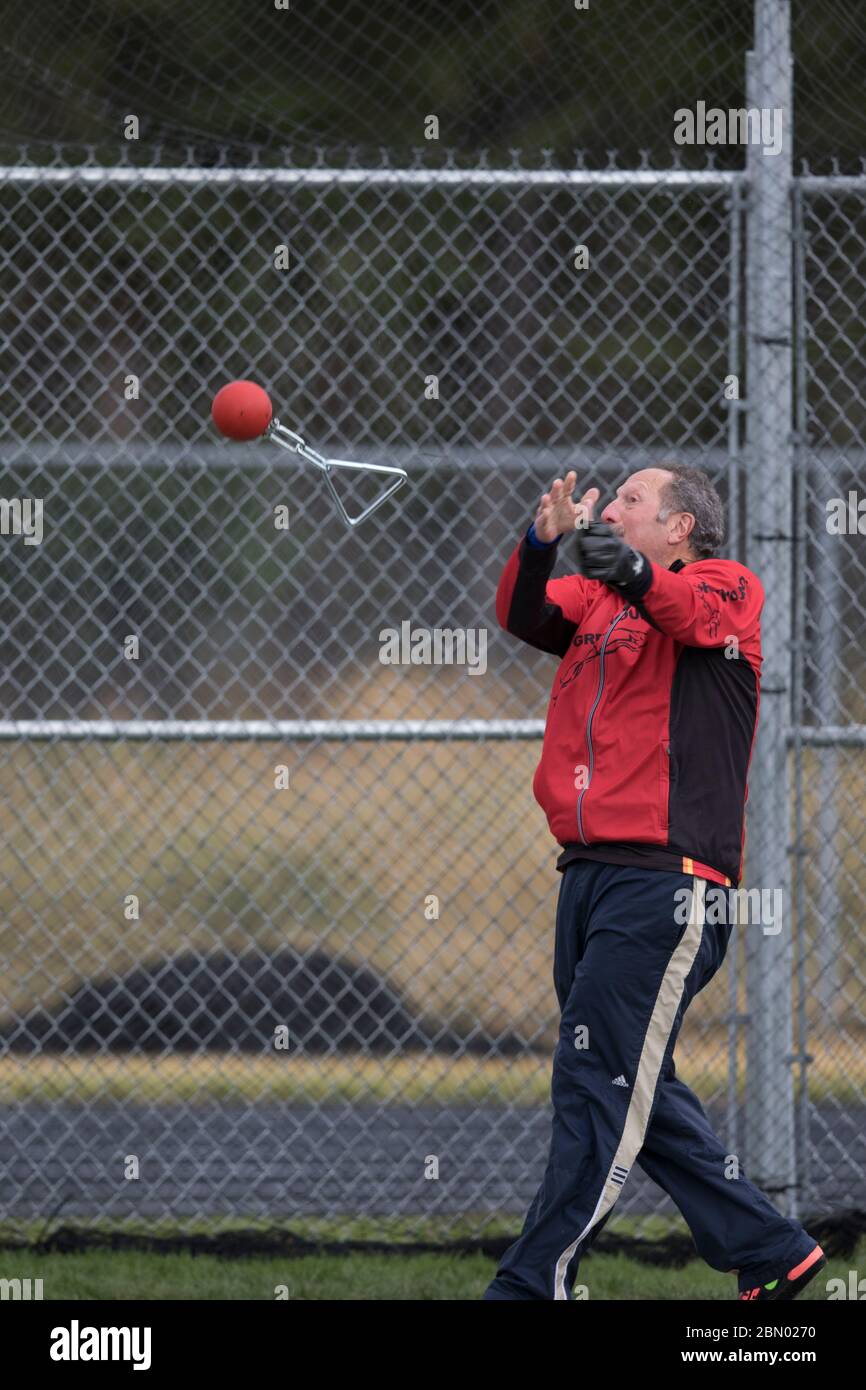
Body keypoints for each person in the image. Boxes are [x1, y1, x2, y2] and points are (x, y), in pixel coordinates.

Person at [483, 464, 825, 1302]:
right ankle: (771, 1249)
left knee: (594, 1078)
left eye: (632, 499)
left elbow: (676, 605)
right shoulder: (600, 602)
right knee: (627, 1079)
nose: (613, 506)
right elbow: (522, 613)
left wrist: (610, 556)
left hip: (668, 883)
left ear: (679, 528)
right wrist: (543, 541)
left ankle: (531, 1285)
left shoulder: (724, 585)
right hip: (589, 874)